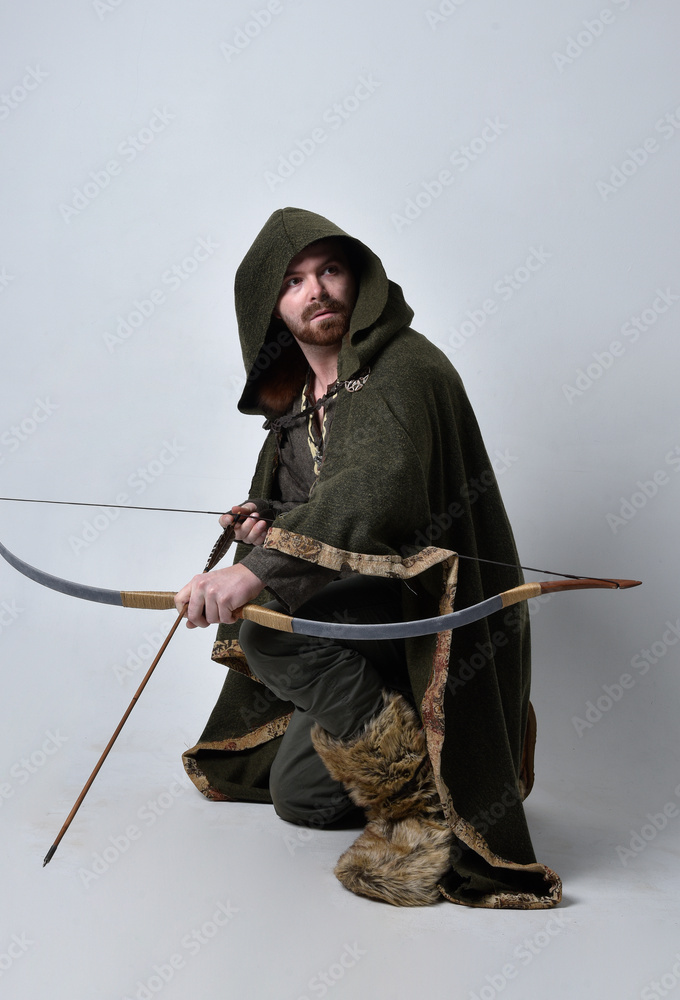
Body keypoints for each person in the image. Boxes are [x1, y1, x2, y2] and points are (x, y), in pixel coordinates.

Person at [176, 208, 562, 909]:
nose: (316, 291)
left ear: (357, 278)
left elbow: (377, 491)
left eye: (329, 270)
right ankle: (418, 741)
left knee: (271, 628)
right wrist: (268, 523)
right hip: (358, 625)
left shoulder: (404, 366)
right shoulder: (299, 403)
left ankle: (419, 799)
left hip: (424, 615)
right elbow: (319, 507)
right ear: (271, 306)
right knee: (301, 798)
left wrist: (255, 571)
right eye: (293, 281)